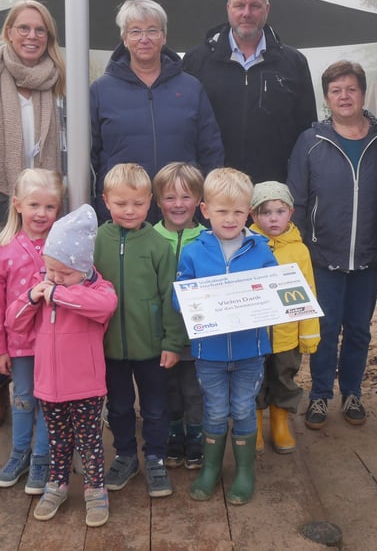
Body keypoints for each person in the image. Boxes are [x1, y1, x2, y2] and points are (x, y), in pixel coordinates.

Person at [0, 0, 68, 431]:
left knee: (49, 296)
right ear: (8, 32)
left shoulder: (60, 84)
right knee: (1, 301)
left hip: (48, 212)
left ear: (49, 38)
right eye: (23, 28)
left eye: (40, 30)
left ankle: (45, 382)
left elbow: (74, 148)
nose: (31, 36)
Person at [287, 60, 377, 430]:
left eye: (351, 89)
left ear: (362, 93)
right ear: (326, 97)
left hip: (368, 256)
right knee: (325, 330)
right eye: (336, 90)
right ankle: (319, 397)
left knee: (359, 329)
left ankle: (352, 391)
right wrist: (299, 246)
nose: (344, 96)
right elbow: (297, 199)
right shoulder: (311, 141)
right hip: (322, 255)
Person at [6, 204, 118, 525]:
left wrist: (58, 293)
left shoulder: (97, 289)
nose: (54, 278)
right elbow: (14, 323)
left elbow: (105, 307)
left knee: (90, 441)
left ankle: (96, 490)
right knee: (58, 441)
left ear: (83, 266)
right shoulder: (43, 287)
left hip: (86, 386)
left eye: (63, 273)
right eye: (49, 270)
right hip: (49, 387)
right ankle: (56, 485)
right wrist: (32, 297)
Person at [175, 168, 278, 505]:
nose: (230, 218)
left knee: (244, 408)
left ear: (248, 211)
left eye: (238, 211)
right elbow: (180, 296)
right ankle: (211, 468)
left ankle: (245, 472)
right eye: (221, 211)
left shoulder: (262, 250)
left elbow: (277, 292)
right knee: (216, 411)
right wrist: (198, 299)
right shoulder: (193, 251)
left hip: (251, 351)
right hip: (210, 353)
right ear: (205, 210)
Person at [92, 163, 188, 498]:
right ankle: (125, 455)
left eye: (137, 203)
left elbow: (171, 297)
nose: (129, 211)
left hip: (152, 347)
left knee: (155, 406)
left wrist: (173, 343)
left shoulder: (159, 245)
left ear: (150, 201)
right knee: (118, 406)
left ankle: (157, 458)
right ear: (106, 201)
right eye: (121, 204)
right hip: (108, 348)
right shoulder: (94, 243)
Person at [90, 0, 223, 223]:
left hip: (181, 215)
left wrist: (207, 204)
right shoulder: (101, 90)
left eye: (152, 30)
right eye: (135, 31)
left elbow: (211, 151)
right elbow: (90, 158)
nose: (144, 39)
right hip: (124, 217)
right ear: (124, 38)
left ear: (164, 37)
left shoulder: (191, 88)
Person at [181, 0, 318, 184]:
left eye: (255, 5)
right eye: (239, 5)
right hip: (213, 191)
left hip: (273, 194)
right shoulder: (197, 61)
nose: (246, 13)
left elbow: (306, 133)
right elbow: (185, 127)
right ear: (228, 8)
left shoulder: (293, 63)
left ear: (267, 9)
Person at [0, 169, 63, 494]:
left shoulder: (62, 246)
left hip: (55, 342)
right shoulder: (2, 248)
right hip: (18, 345)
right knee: (23, 398)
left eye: (49, 207)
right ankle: (20, 453)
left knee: (48, 401)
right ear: (17, 205)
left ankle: (43, 458)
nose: (41, 214)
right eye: (34, 205)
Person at [248, 181, 320, 454]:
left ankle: (280, 424)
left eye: (279, 211)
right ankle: (253, 425)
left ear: (290, 212)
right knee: (253, 380)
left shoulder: (299, 251)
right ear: (254, 215)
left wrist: (309, 333)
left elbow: (308, 292)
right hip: (254, 335)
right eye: (265, 212)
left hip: (287, 334)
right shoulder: (246, 245)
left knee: (284, 379)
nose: (273, 218)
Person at [151, 162, 206, 470]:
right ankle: (173, 435)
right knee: (167, 390)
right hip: (160, 335)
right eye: (170, 197)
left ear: (199, 199)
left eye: (186, 197)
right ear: (158, 201)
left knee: (193, 390)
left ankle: (195, 437)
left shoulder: (207, 239)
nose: (178, 204)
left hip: (197, 336)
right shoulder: (150, 238)